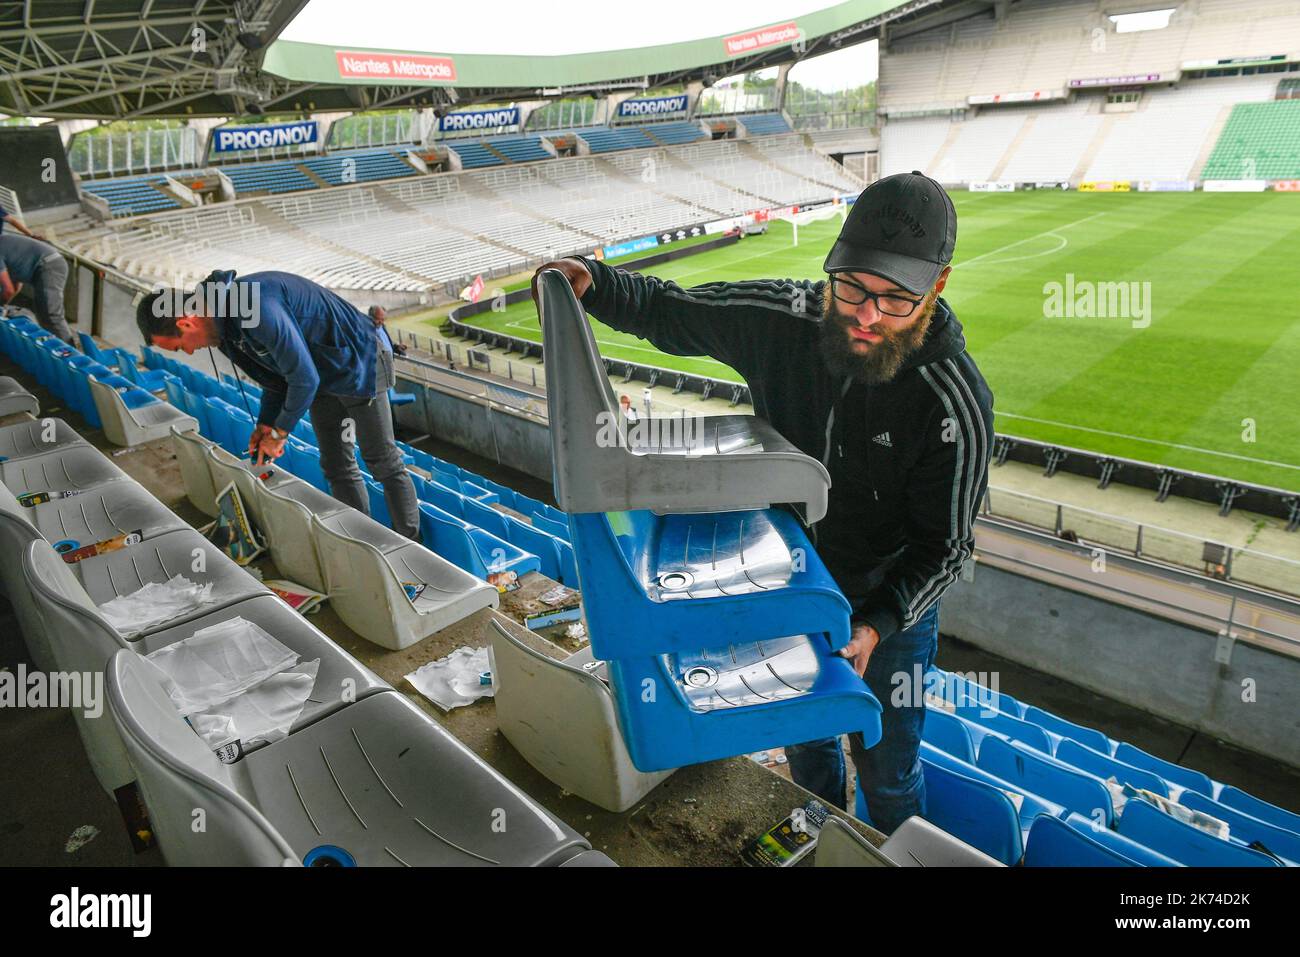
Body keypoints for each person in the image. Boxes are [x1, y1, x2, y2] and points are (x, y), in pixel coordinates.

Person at [531, 171, 993, 833]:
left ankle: (889, 847)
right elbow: (674, 312)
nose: (866, 315)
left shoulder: (953, 401)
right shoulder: (781, 320)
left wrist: (874, 626)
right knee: (806, 740)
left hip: (891, 613)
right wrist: (593, 280)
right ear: (833, 263)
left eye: (895, 300)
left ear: (937, 288)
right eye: (853, 286)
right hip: (792, 583)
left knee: (888, 770)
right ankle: (819, 828)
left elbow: (946, 550)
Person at [137, 269, 420, 540]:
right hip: (322, 373)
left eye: (179, 346)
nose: (188, 351)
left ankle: (409, 543)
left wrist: (279, 434)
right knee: (335, 466)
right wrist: (265, 424)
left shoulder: (253, 308)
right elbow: (276, 379)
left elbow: (303, 378)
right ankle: (364, 540)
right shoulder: (221, 331)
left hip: (359, 361)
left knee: (381, 460)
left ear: (186, 323)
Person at [0, 207, 74, 344]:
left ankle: (70, 351)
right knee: (42, 311)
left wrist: (1, 304)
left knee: (51, 313)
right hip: (43, 266)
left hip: (49, 265)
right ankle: (55, 348)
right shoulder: (7, 252)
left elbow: (8, 290)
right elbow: (15, 286)